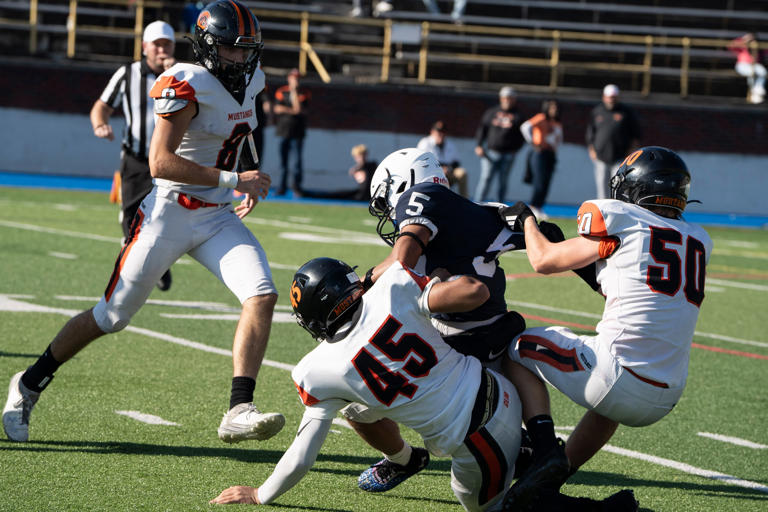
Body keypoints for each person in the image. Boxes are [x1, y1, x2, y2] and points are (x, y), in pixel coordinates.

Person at [3, 0, 285, 446]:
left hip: (216, 216)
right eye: (232, 49)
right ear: (209, 47)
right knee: (110, 316)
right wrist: (235, 178)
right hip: (169, 212)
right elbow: (160, 163)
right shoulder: (187, 82)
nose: (241, 58)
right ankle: (29, 383)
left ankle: (238, 409)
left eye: (247, 50)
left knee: (262, 295)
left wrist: (246, 178)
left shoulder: (254, 80)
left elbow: (240, 131)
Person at [211, 257, 638, 511]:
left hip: (475, 440)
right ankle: (517, 449)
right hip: (499, 391)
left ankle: (601, 509)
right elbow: (465, 290)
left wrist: (261, 494)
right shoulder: (392, 286)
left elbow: (303, 453)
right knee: (359, 408)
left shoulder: (316, 369)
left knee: (494, 508)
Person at [350, 148, 571, 496]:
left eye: (386, 200)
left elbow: (402, 260)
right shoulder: (477, 213)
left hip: (451, 354)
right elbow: (552, 238)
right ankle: (539, 444)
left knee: (356, 397)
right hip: (492, 344)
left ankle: (401, 456)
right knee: (517, 353)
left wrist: (361, 283)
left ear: (402, 182)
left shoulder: (421, 196)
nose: (390, 212)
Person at [499, 147, 712, 506]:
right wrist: (580, 258)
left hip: (613, 378)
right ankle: (552, 477)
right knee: (608, 405)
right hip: (665, 396)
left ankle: (545, 449)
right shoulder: (698, 240)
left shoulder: (620, 216)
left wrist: (526, 222)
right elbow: (628, 287)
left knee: (514, 346)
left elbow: (543, 260)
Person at [90, 20, 176, 291]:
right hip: (137, 160)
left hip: (172, 160)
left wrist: (175, 74)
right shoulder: (128, 74)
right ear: (144, 47)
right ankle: (140, 268)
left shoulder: (182, 74)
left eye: (166, 44)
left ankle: (159, 264)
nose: (161, 50)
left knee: (169, 216)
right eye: (157, 44)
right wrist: (100, 123)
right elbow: (101, 105)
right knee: (131, 219)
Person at [585, 84, 641, 199]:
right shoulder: (597, 111)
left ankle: (616, 209)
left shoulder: (626, 112)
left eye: (614, 97)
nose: (611, 100)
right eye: (609, 97)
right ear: (604, 97)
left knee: (618, 186)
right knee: (602, 187)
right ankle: (602, 213)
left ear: (618, 97)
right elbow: (591, 132)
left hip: (620, 157)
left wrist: (631, 151)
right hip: (601, 156)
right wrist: (591, 149)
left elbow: (635, 134)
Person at [474, 86, 525, 204]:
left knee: (503, 182)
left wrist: (516, 149)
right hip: (491, 152)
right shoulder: (492, 112)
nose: (507, 100)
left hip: (508, 154)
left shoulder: (518, 116)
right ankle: (477, 203)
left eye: (510, 98)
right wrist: (479, 145)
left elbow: (523, 136)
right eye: (505, 98)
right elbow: (482, 129)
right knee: (485, 179)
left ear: (514, 99)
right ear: (501, 98)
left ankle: (500, 207)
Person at [520, 99, 563, 220]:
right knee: (539, 181)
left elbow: (558, 139)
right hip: (540, 153)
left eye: (556, 108)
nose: (554, 110)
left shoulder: (557, 123)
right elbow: (525, 127)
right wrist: (533, 143)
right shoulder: (542, 118)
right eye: (552, 107)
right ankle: (533, 206)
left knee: (546, 182)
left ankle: (539, 206)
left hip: (550, 155)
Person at [273, 68, 310, 197]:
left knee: (297, 163)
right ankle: (281, 187)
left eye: (298, 78)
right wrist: (291, 111)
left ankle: (296, 187)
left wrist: (294, 92)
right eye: (294, 78)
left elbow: (299, 109)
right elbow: (277, 108)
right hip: (283, 131)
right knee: (283, 163)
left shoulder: (304, 93)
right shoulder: (281, 91)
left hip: (298, 132)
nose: (296, 80)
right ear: (289, 78)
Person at [417, 120, 469, 198]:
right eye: (438, 132)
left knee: (462, 173)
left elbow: (456, 162)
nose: (441, 134)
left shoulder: (450, 144)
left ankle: (465, 201)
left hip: (448, 172)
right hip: (431, 173)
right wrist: (440, 168)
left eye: (443, 132)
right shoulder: (425, 143)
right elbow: (422, 162)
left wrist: (449, 168)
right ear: (432, 132)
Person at [727, 33, 766, 104]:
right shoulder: (743, 47)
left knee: (761, 72)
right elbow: (730, 46)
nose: (751, 40)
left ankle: (757, 91)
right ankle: (755, 92)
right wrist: (744, 40)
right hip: (742, 66)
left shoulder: (757, 47)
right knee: (753, 73)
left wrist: (755, 45)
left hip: (755, 66)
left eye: (752, 38)